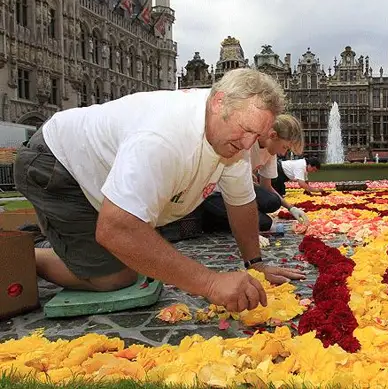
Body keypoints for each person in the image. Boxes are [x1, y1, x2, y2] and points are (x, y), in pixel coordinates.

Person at [13, 68, 304, 314]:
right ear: (218, 102)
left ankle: (56, 238)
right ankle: (23, 256)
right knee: (116, 276)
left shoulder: (234, 136)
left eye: (257, 136)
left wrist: (255, 266)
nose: (247, 144)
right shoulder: (164, 137)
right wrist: (211, 283)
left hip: (97, 179)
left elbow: (241, 203)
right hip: (56, 165)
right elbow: (116, 230)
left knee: (140, 254)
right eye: (245, 130)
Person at [201, 114, 310, 233]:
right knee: (264, 223)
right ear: (273, 135)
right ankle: (213, 218)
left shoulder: (271, 152)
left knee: (274, 201)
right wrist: (250, 230)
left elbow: (266, 186)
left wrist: (291, 208)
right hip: (216, 193)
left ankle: (227, 218)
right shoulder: (248, 142)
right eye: (284, 147)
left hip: (240, 190)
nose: (283, 154)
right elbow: (238, 187)